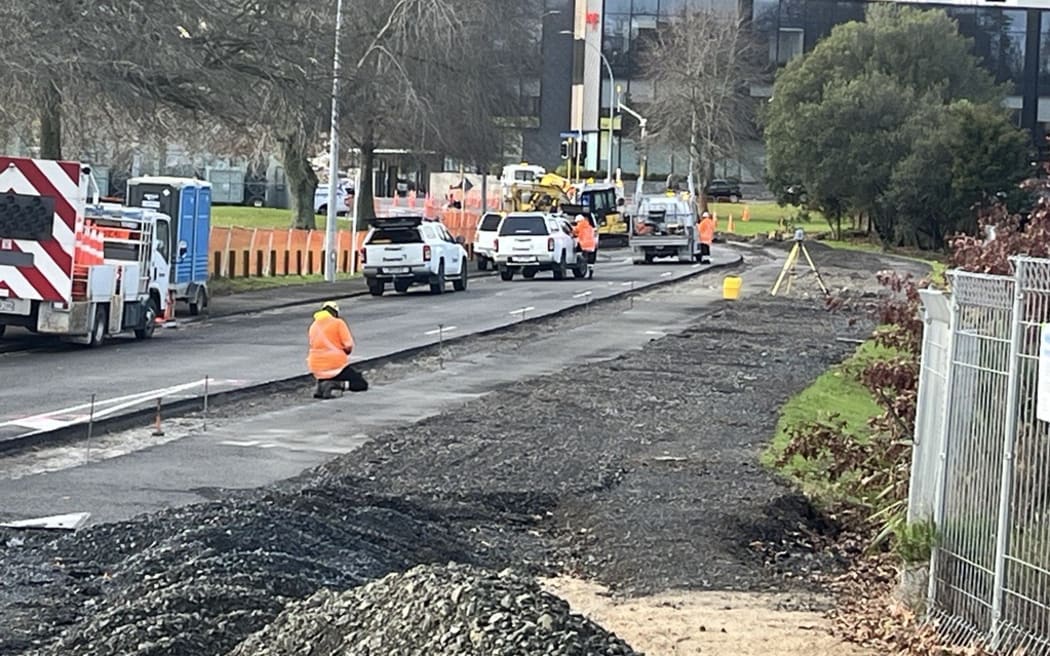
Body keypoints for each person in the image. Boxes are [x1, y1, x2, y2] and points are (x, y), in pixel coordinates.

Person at [307, 300, 368, 399]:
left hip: (316, 367)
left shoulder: (313, 325)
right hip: (335, 366)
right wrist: (346, 352)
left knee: (327, 376)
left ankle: (321, 386)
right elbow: (348, 345)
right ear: (335, 313)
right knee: (361, 384)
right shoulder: (338, 323)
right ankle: (335, 385)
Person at [573, 213, 598, 279]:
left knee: (584, 259)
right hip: (592, 244)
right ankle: (590, 272)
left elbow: (574, 231)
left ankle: (584, 271)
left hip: (584, 244)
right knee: (591, 260)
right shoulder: (590, 227)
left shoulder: (580, 225)